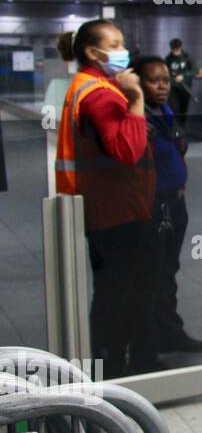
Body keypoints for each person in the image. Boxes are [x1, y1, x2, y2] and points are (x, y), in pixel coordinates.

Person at [55, 21, 163, 378]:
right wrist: (135, 99)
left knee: (115, 292)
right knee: (118, 295)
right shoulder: (100, 94)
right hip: (118, 214)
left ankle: (114, 365)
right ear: (91, 52)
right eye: (113, 44)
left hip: (106, 208)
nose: (122, 50)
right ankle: (111, 371)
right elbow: (127, 150)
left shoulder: (86, 85)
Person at [137, 56, 202, 355]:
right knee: (152, 274)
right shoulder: (138, 118)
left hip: (175, 204)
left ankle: (169, 332)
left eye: (165, 80)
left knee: (168, 271)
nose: (162, 86)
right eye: (154, 80)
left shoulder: (165, 112)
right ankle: (146, 343)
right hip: (153, 207)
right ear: (138, 83)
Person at [164, 38, 196, 126]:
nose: (175, 52)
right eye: (173, 50)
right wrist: (172, 79)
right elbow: (165, 74)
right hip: (174, 89)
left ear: (180, 48)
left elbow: (195, 70)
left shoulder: (187, 57)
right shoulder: (168, 59)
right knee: (175, 109)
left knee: (184, 110)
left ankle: (183, 128)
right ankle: (176, 128)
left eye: (177, 50)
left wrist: (184, 76)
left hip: (185, 88)